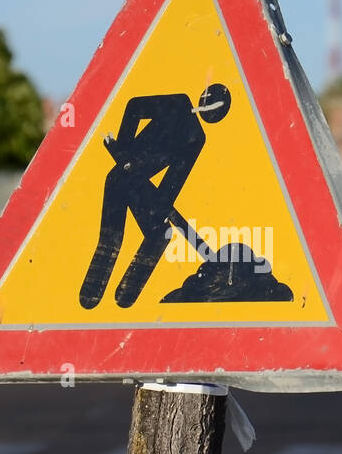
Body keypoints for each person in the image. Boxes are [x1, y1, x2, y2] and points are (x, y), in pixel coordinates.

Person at [79, 83, 231, 309]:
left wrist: (162, 204)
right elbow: (134, 107)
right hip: (119, 179)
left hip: (140, 186)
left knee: (159, 231)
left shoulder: (197, 137)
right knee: (111, 237)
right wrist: (124, 153)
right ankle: (91, 293)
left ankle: (126, 295)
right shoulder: (178, 103)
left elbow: (174, 180)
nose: (210, 111)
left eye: (217, 110)